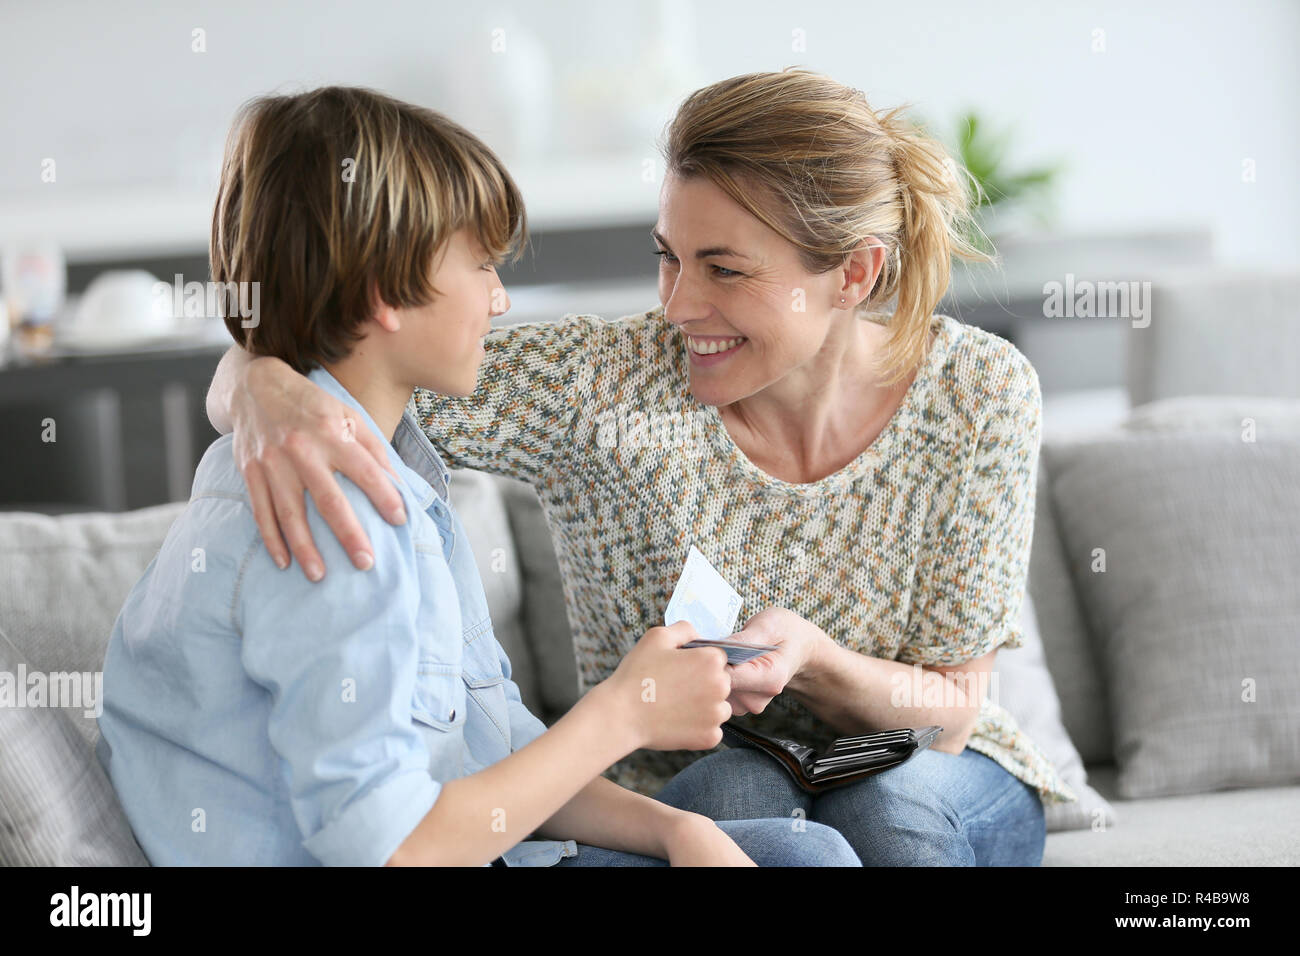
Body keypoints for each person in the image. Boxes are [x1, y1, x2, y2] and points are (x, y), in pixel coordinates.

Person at [207, 70, 1078, 867]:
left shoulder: (977, 393)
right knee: (739, 797)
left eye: (724, 270)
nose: (678, 305)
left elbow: (954, 713)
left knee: (887, 817)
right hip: (697, 773)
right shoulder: (600, 385)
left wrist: (814, 659)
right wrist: (259, 390)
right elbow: (349, 355)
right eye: (668, 254)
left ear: (853, 273)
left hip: (924, 767)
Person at [96, 85, 861, 868]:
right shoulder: (332, 516)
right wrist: (625, 715)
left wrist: (677, 830)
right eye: (483, 265)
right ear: (384, 291)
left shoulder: (392, 479)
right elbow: (393, 851)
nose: (500, 300)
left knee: (798, 850)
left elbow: (489, 751)